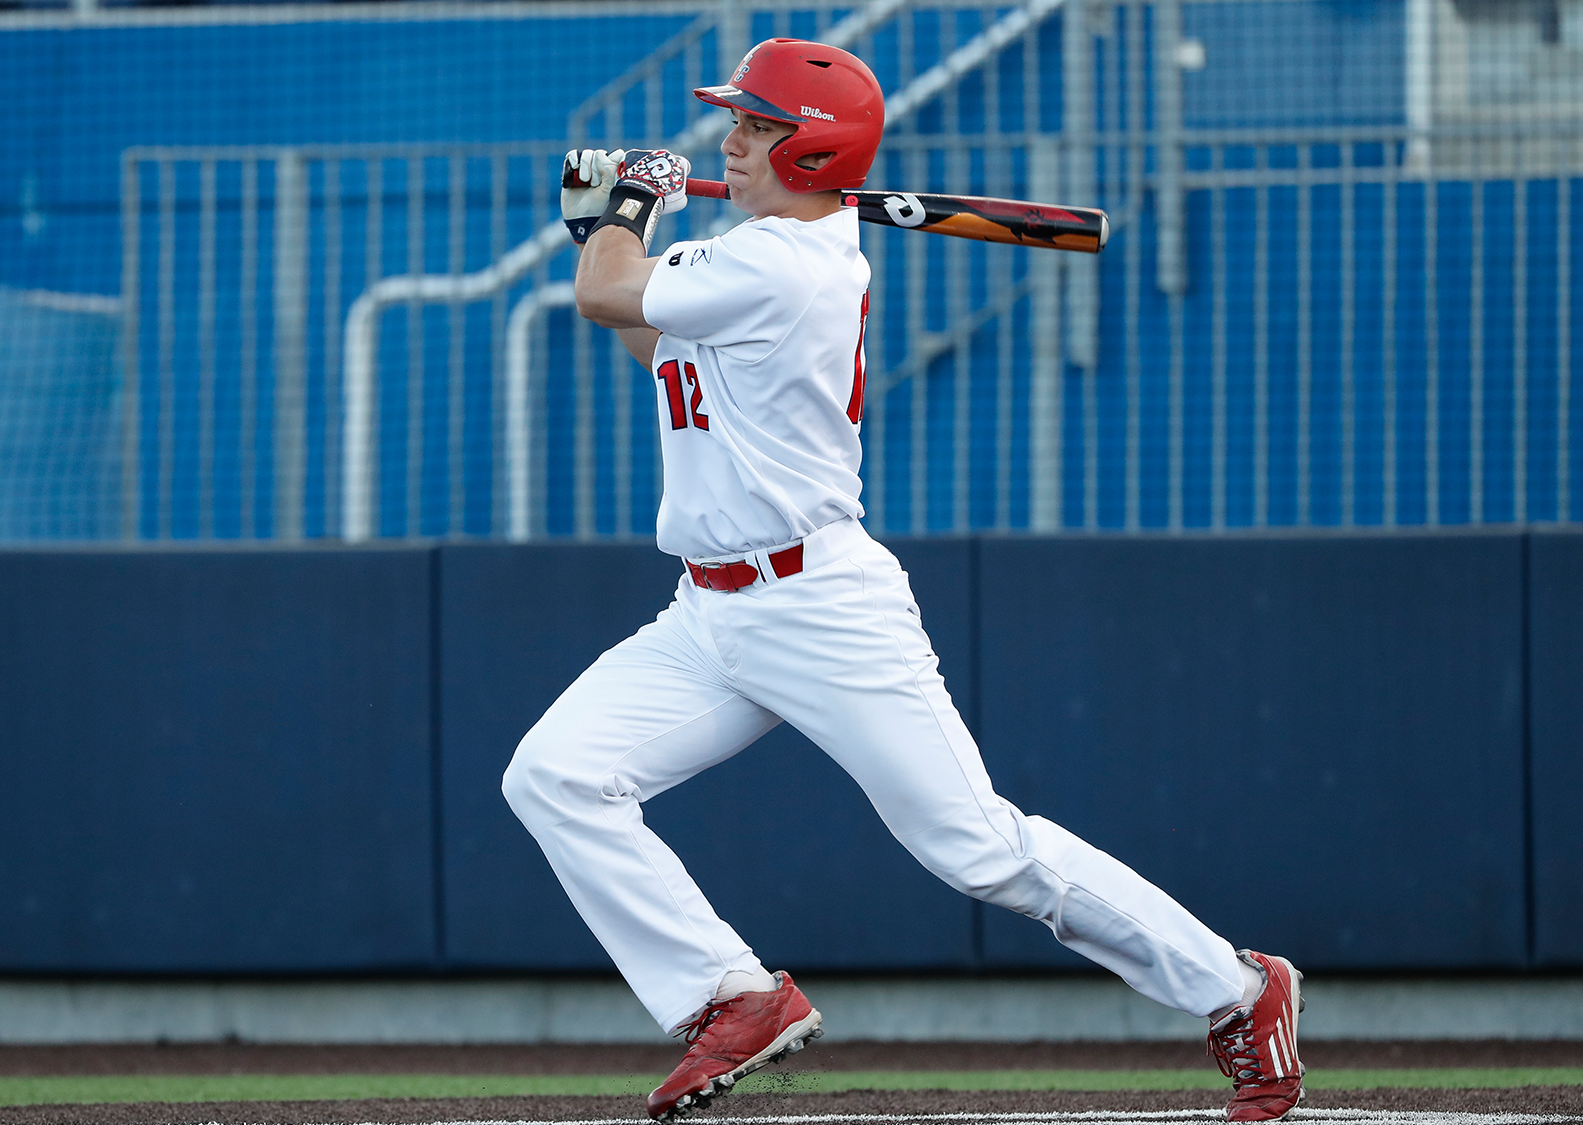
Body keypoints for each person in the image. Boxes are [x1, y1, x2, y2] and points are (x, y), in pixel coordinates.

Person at [501, 37, 1306, 1124]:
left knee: (977, 849)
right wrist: (605, 232)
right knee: (555, 775)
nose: (730, 139)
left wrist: (616, 216)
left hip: (819, 608)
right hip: (707, 614)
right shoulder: (753, 257)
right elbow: (652, 346)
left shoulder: (780, 264)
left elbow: (605, 295)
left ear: (815, 150)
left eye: (758, 127)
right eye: (737, 121)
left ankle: (1238, 988)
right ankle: (727, 996)